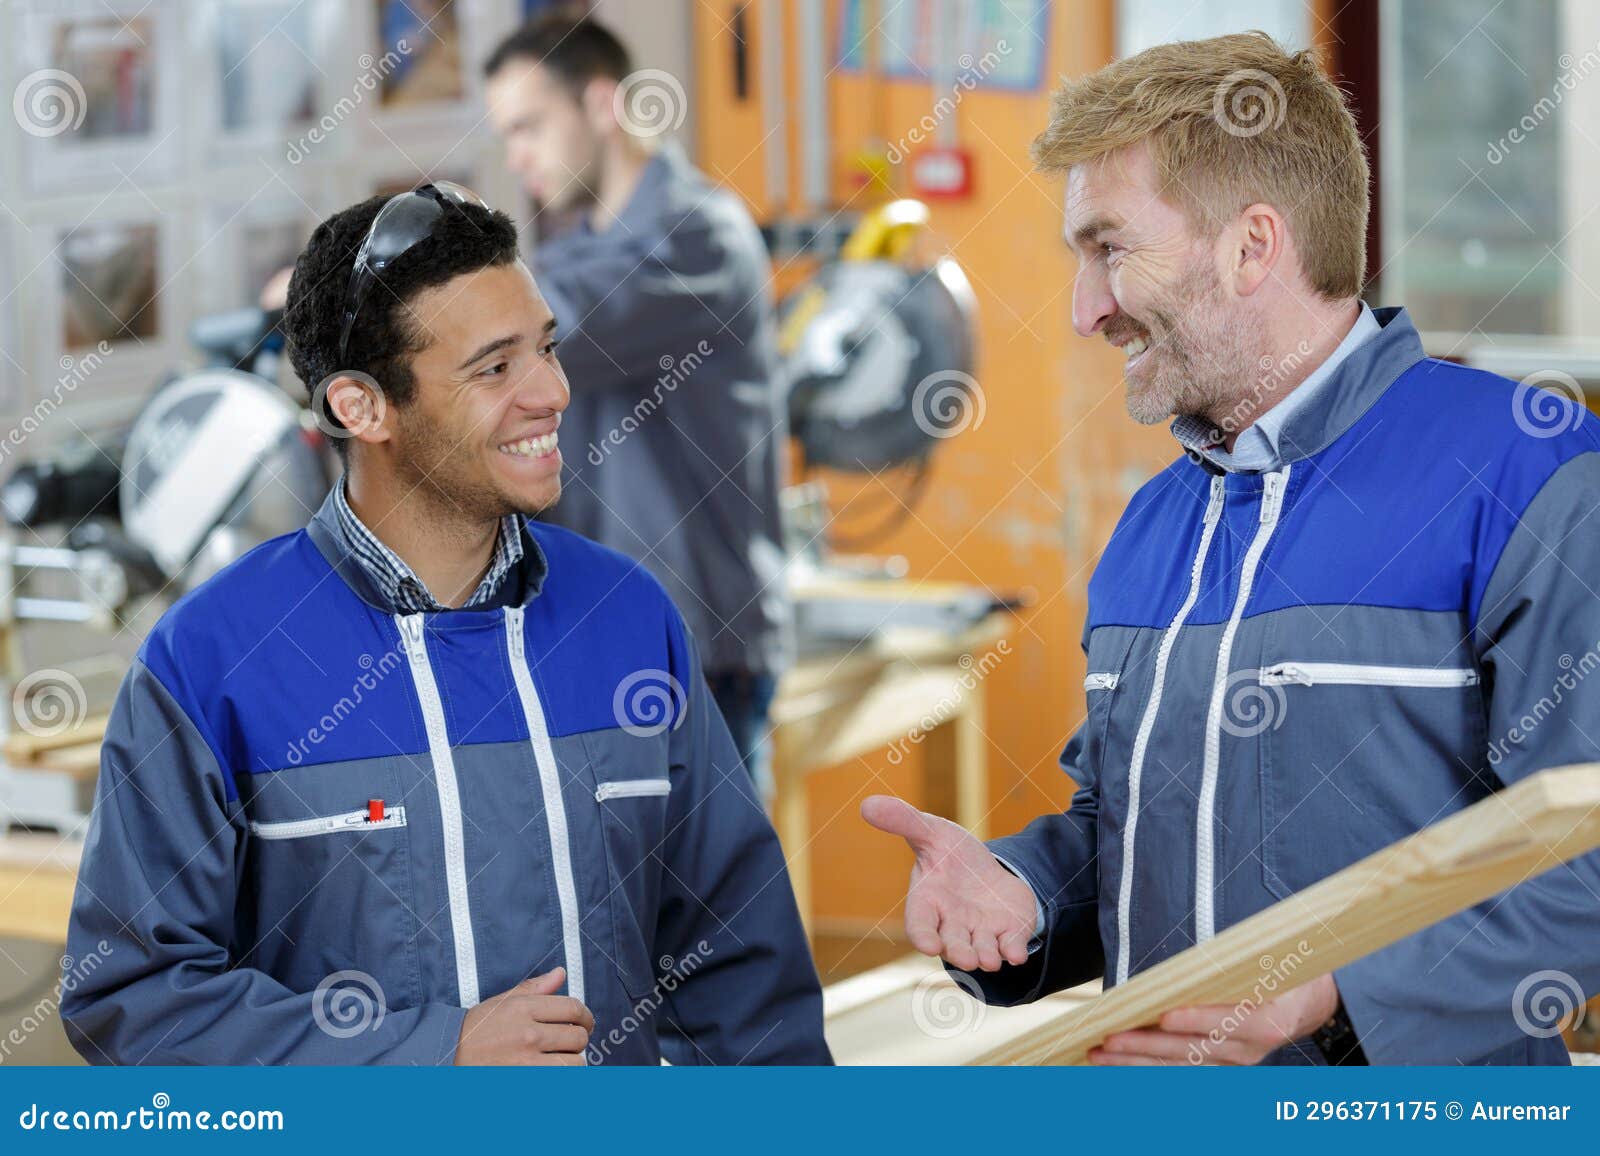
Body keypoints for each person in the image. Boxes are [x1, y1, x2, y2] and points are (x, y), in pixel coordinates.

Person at [864, 32, 1600, 1065]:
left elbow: (1587, 857)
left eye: (1108, 248)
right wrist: (1021, 889)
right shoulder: (1154, 522)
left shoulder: (1530, 474)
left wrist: (1333, 993)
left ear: (1253, 247)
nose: (1085, 311)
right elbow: (1125, 829)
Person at [60, 184, 830, 1066]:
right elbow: (134, 996)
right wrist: (430, 1058)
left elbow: (743, 978)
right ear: (363, 408)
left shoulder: (628, 619)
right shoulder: (210, 660)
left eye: (546, 348)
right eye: (495, 368)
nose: (552, 392)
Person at [484, 14, 791, 794]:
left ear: (599, 104)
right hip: (601, 641)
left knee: (712, 911)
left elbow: (569, 321)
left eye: (529, 127)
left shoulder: (700, 236)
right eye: (505, 136)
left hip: (699, 646)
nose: (517, 159)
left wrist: (406, 282)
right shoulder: (567, 251)